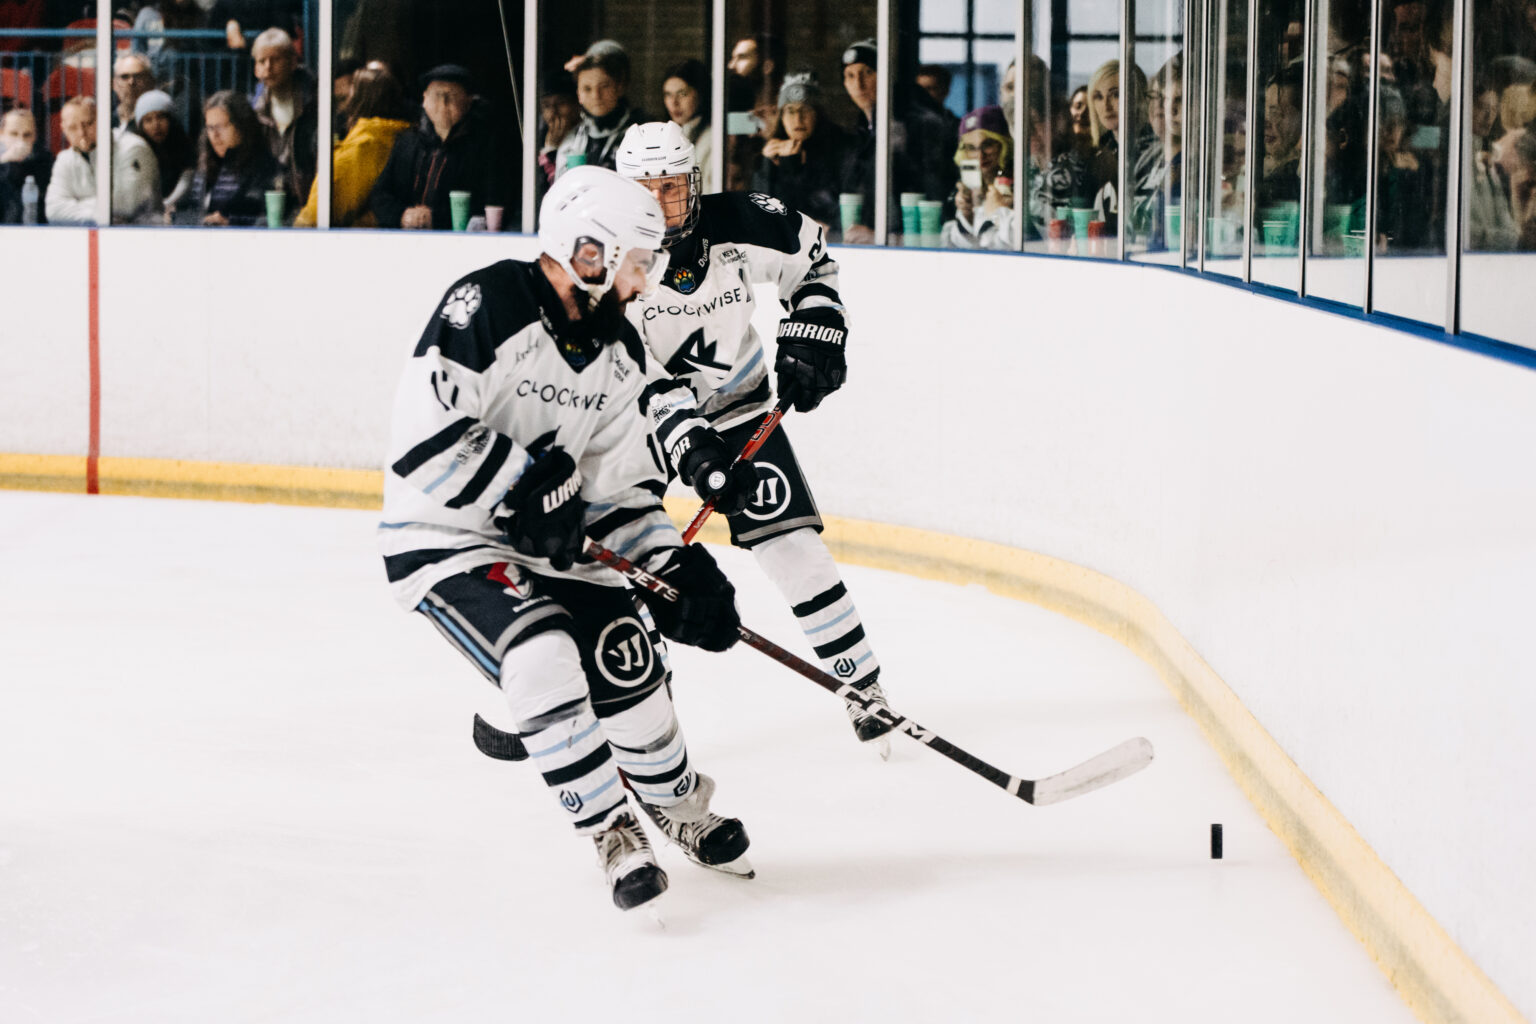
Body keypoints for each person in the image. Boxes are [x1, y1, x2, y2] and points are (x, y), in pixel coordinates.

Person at [380, 164, 752, 911]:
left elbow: (612, 492)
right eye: (639, 265)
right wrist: (522, 488)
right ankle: (610, 828)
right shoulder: (486, 303)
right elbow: (423, 438)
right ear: (592, 253)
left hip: (555, 541)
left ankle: (676, 803)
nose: (644, 285)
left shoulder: (615, 350)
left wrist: (672, 569)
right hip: (446, 535)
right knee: (541, 651)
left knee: (627, 657)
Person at [616, 121, 894, 749]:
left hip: (740, 407)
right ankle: (633, 709)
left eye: (672, 187)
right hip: (640, 424)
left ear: (694, 184)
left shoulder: (745, 221)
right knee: (639, 569)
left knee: (791, 543)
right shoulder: (608, 264)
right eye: (645, 191)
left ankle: (864, 686)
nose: (661, 204)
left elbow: (814, 263)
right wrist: (690, 443)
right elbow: (635, 376)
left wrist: (816, 325)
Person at [838, 38, 956, 243]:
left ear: (885, 76)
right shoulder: (862, 132)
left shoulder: (914, 125)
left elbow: (931, 190)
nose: (858, 84)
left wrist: (889, 236)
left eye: (867, 72)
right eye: (850, 76)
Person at [369, 64, 504, 230]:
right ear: (424, 99)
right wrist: (402, 215)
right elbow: (379, 194)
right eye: (436, 95)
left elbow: (491, 203)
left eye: (452, 95)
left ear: (468, 102)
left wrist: (435, 218)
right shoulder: (407, 141)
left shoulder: (483, 147)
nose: (443, 102)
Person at [295, 66, 410, 228]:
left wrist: (299, 226)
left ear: (360, 98)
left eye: (351, 91)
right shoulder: (397, 136)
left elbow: (317, 213)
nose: (345, 102)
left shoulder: (365, 144)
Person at [750, 72, 846, 229]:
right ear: (781, 117)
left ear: (818, 114)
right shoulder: (772, 152)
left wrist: (791, 166)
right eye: (790, 111)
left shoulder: (836, 150)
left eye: (805, 110)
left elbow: (816, 209)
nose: (798, 119)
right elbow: (761, 211)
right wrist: (767, 166)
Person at [45, 97, 162, 226]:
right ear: (63, 129)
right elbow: (54, 210)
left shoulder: (133, 147)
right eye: (73, 127)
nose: (81, 133)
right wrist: (96, 213)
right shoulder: (64, 159)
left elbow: (128, 204)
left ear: (102, 121)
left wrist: (77, 204)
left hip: (142, 238)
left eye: (88, 123)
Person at [553, 43, 648, 177]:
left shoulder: (642, 133)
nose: (596, 96)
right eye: (587, 89)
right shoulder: (572, 141)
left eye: (604, 86)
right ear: (579, 95)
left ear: (619, 87)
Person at [250, 27, 318, 207]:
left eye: (275, 59)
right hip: (270, 203)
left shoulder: (315, 103)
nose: (268, 67)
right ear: (256, 69)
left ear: (293, 62)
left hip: (310, 202)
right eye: (262, 61)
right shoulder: (254, 111)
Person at [191, 90, 280, 226]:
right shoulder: (206, 167)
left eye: (221, 127)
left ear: (242, 126)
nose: (214, 135)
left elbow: (275, 221)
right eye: (210, 128)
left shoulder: (265, 169)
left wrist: (230, 223)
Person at [941, 105, 1015, 250]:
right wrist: (967, 216)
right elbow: (964, 245)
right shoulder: (969, 187)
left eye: (987, 145)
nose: (980, 156)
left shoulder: (1021, 184)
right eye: (971, 148)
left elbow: (1009, 245)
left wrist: (999, 211)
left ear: (1004, 145)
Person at [129, 89, 197, 218]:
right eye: (148, 120)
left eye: (161, 117)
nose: (156, 125)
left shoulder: (184, 146)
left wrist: (168, 203)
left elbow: (187, 179)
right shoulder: (135, 150)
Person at [661, 59, 715, 193]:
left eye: (682, 94)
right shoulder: (668, 136)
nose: (674, 103)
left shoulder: (711, 139)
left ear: (701, 93)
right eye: (668, 95)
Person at [0, 108, 50, 224]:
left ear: (34, 137)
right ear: (1, 134)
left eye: (27, 135)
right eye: (14, 134)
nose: (20, 140)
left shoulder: (44, 162)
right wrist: (6, 161)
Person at [111, 52, 155, 134]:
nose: (131, 82)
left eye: (138, 76)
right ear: (114, 84)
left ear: (150, 82)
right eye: (124, 77)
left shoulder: (158, 123)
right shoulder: (106, 121)